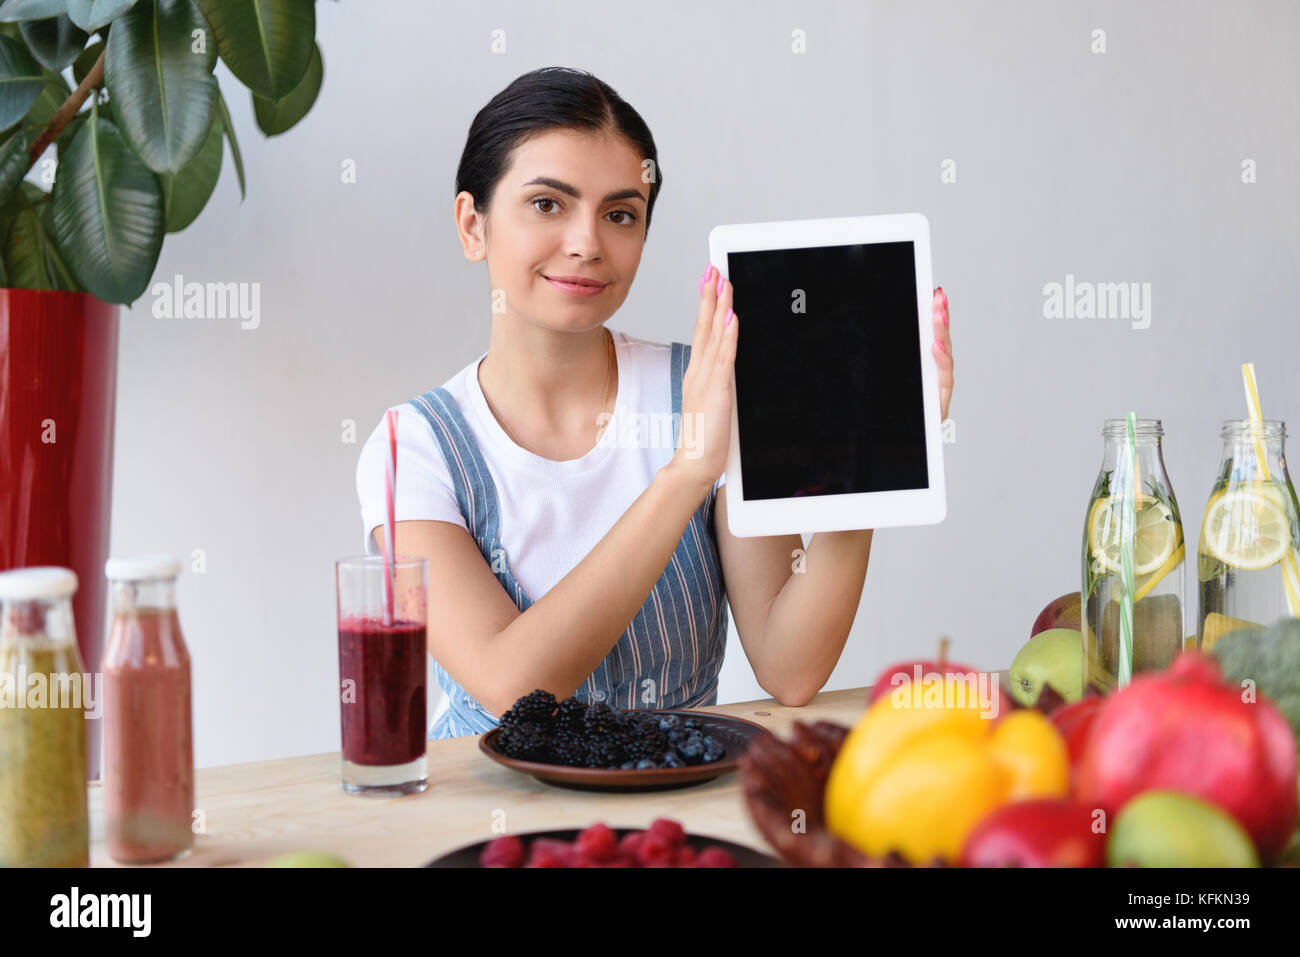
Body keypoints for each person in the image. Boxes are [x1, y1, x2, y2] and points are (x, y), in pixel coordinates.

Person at [356, 67, 954, 738]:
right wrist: (686, 473)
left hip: (677, 805)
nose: (586, 242)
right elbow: (508, 686)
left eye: (620, 214)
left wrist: (861, 466)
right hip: (499, 821)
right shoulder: (414, 448)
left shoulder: (706, 389)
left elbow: (791, 667)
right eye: (548, 203)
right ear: (473, 225)